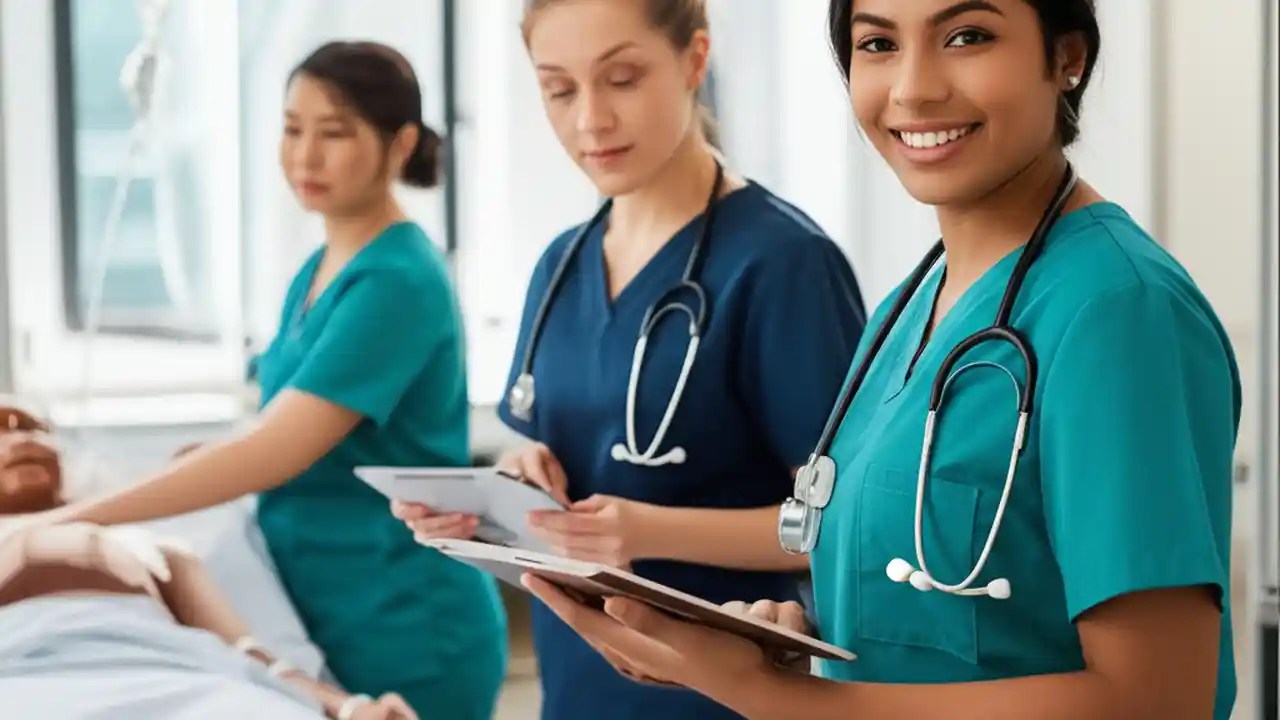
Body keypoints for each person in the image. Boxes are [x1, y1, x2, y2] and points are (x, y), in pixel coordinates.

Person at [520, 1, 1242, 719]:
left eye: (967, 36)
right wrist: (785, 646)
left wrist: (779, 698)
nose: (913, 88)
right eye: (877, 43)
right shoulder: (911, 307)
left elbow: (1158, 698)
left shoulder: (1116, 311)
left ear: (1068, 58)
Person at [394, 1, 867, 718]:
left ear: (694, 60)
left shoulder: (782, 265)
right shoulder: (560, 265)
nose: (590, 120)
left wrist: (645, 530)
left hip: (719, 694)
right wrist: (510, 497)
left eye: (621, 78)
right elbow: (578, 462)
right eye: (559, 88)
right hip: (579, 682)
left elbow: (846, 526)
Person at [12, 41, 508, 719]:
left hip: (403, 622)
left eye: (334, 133)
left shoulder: (396, 282)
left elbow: (274, 451)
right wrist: (208, 457)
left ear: (400, 144)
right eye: (291, 127)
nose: (305, 156)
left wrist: (60, 523)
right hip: (315, 601)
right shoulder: (323, 266)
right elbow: (289, 420)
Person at [0, 522, 416, 720]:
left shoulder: (141, 541)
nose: (20, 437)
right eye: (2, 427)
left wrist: (347, 708)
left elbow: (244, 649)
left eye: (32, 427)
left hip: (179, 679)